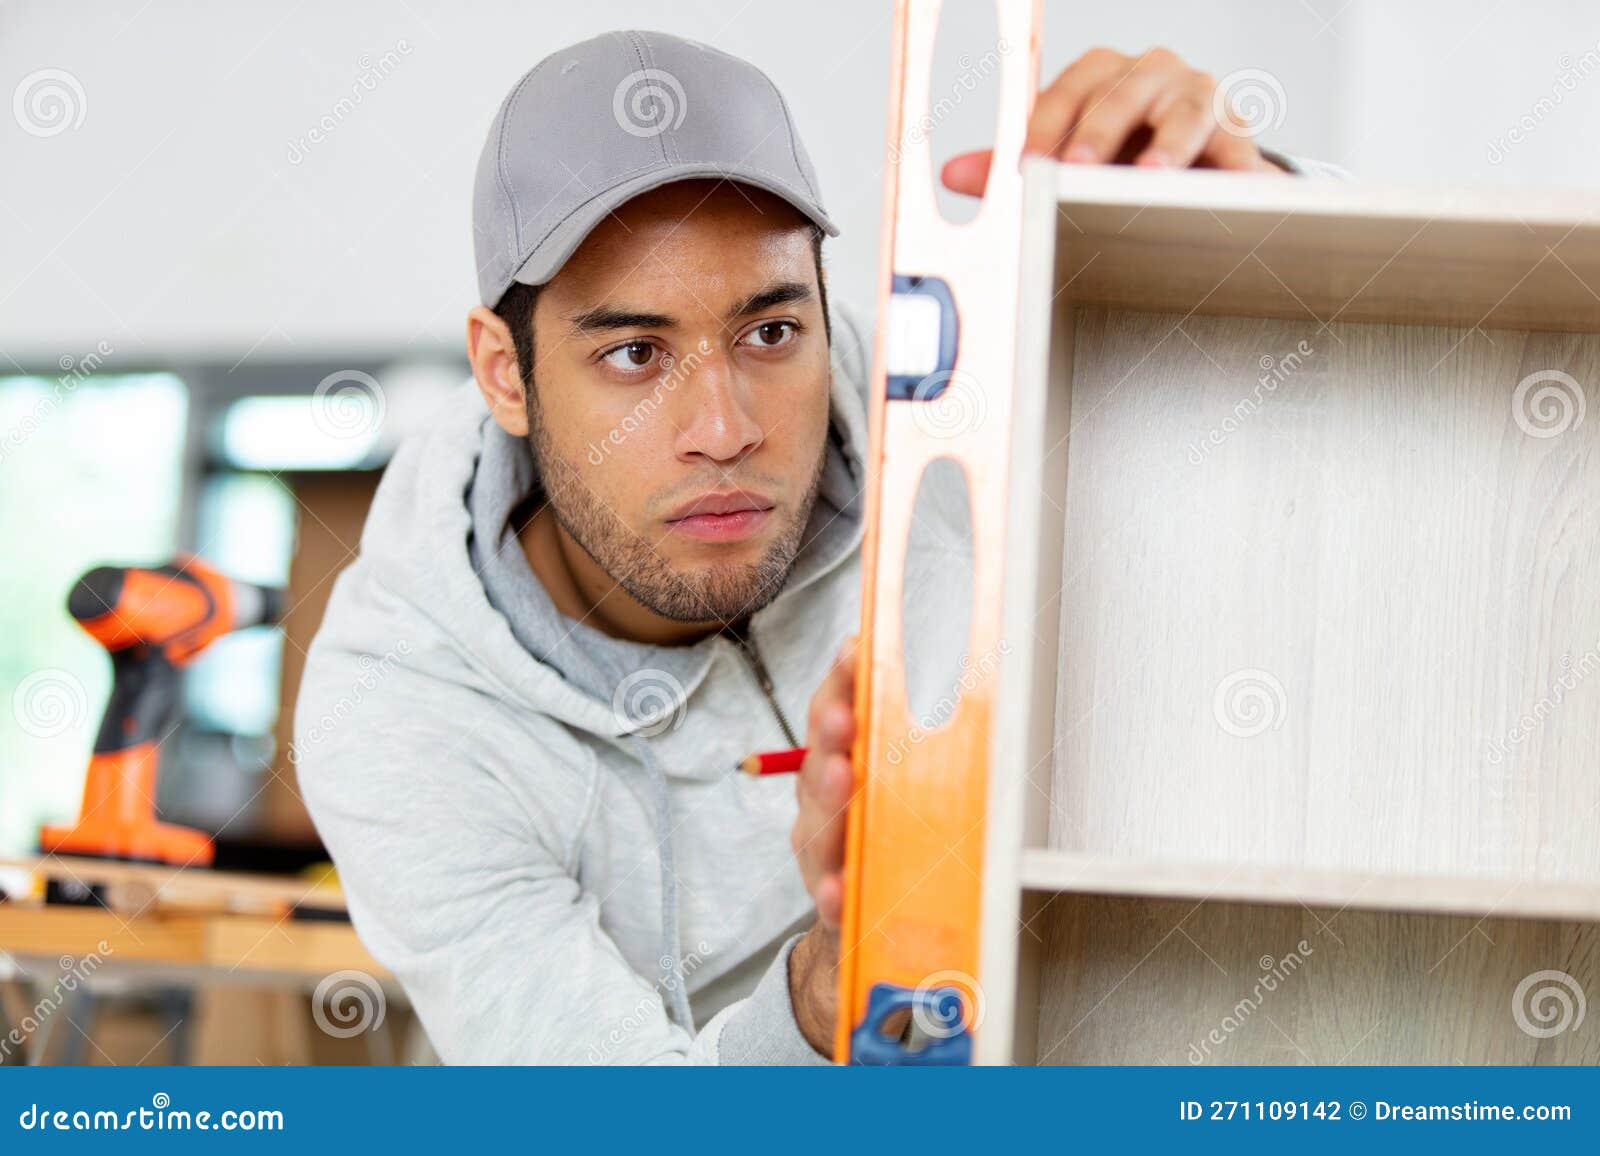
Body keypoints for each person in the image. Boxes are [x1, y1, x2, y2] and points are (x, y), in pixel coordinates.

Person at [296, 28, 1343, 1064]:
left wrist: (1250, 211)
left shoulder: (949, 399)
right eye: (633, 352)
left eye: (768, 333)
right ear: (504, 373)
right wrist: (825, 993)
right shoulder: (401, 708)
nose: (724, 427)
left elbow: (1359, 361)